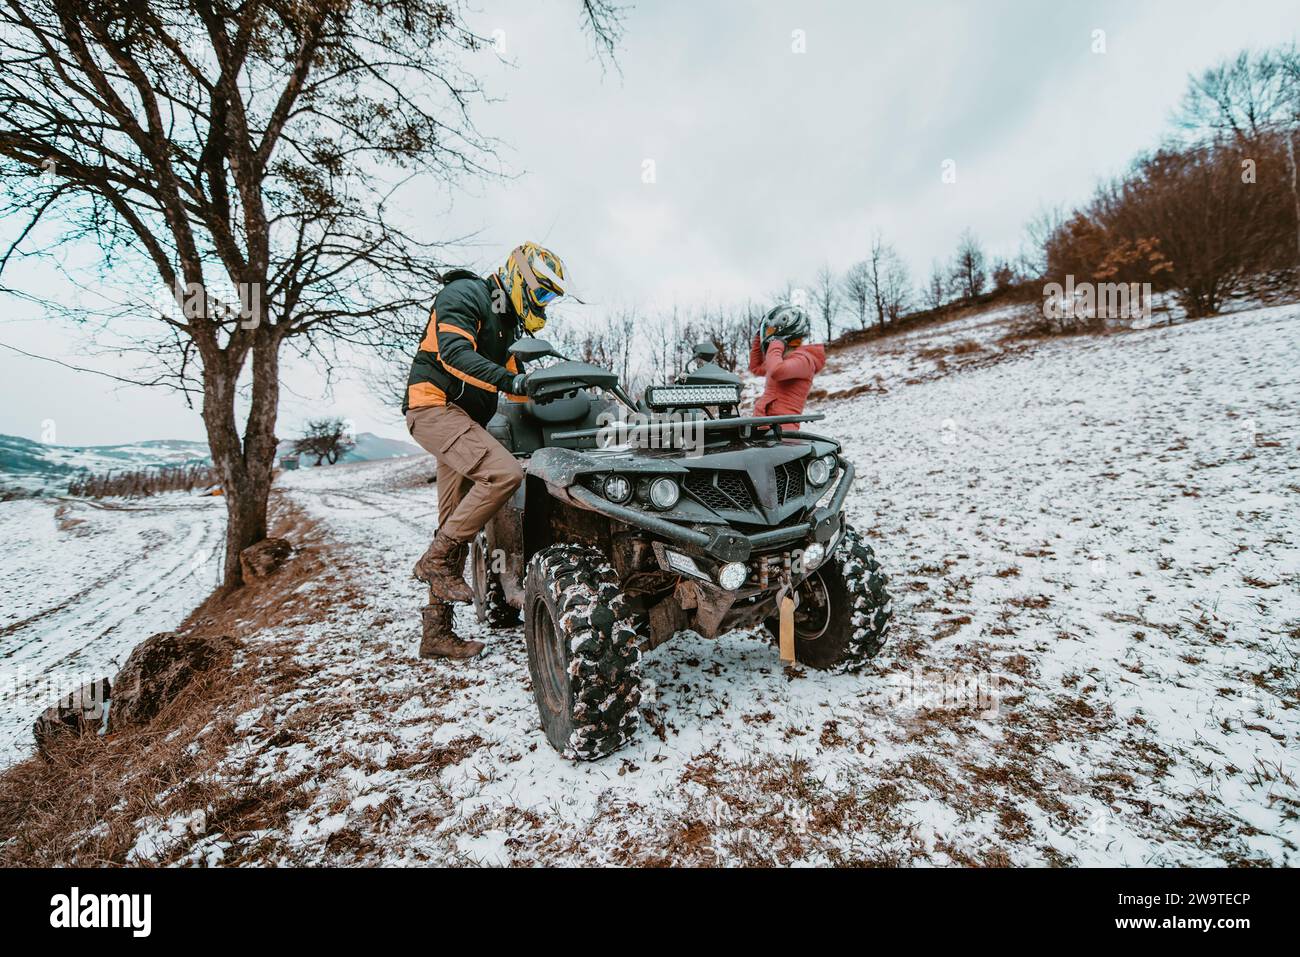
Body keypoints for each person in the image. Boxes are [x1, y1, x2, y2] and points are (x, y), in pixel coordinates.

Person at [403, 242, 569, 659]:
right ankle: (435, 560)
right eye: (543, 293)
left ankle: (436, 634)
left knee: (456, 520)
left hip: (464, 421)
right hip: (435, 407)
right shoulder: (465, 293)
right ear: (521, 279)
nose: (545, 304)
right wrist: (511, 382)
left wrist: (554, 390)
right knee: (504, 474)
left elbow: (517, 385)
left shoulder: (507, 327)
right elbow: (454, 354)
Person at [748, 304, 826, 426]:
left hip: (782, 430)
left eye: (772, 331)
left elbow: (777, 371)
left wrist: (776, 341)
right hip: (765, 425)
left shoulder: (804, 361)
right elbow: (756, 367)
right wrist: (758, 337)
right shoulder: (782, 359)